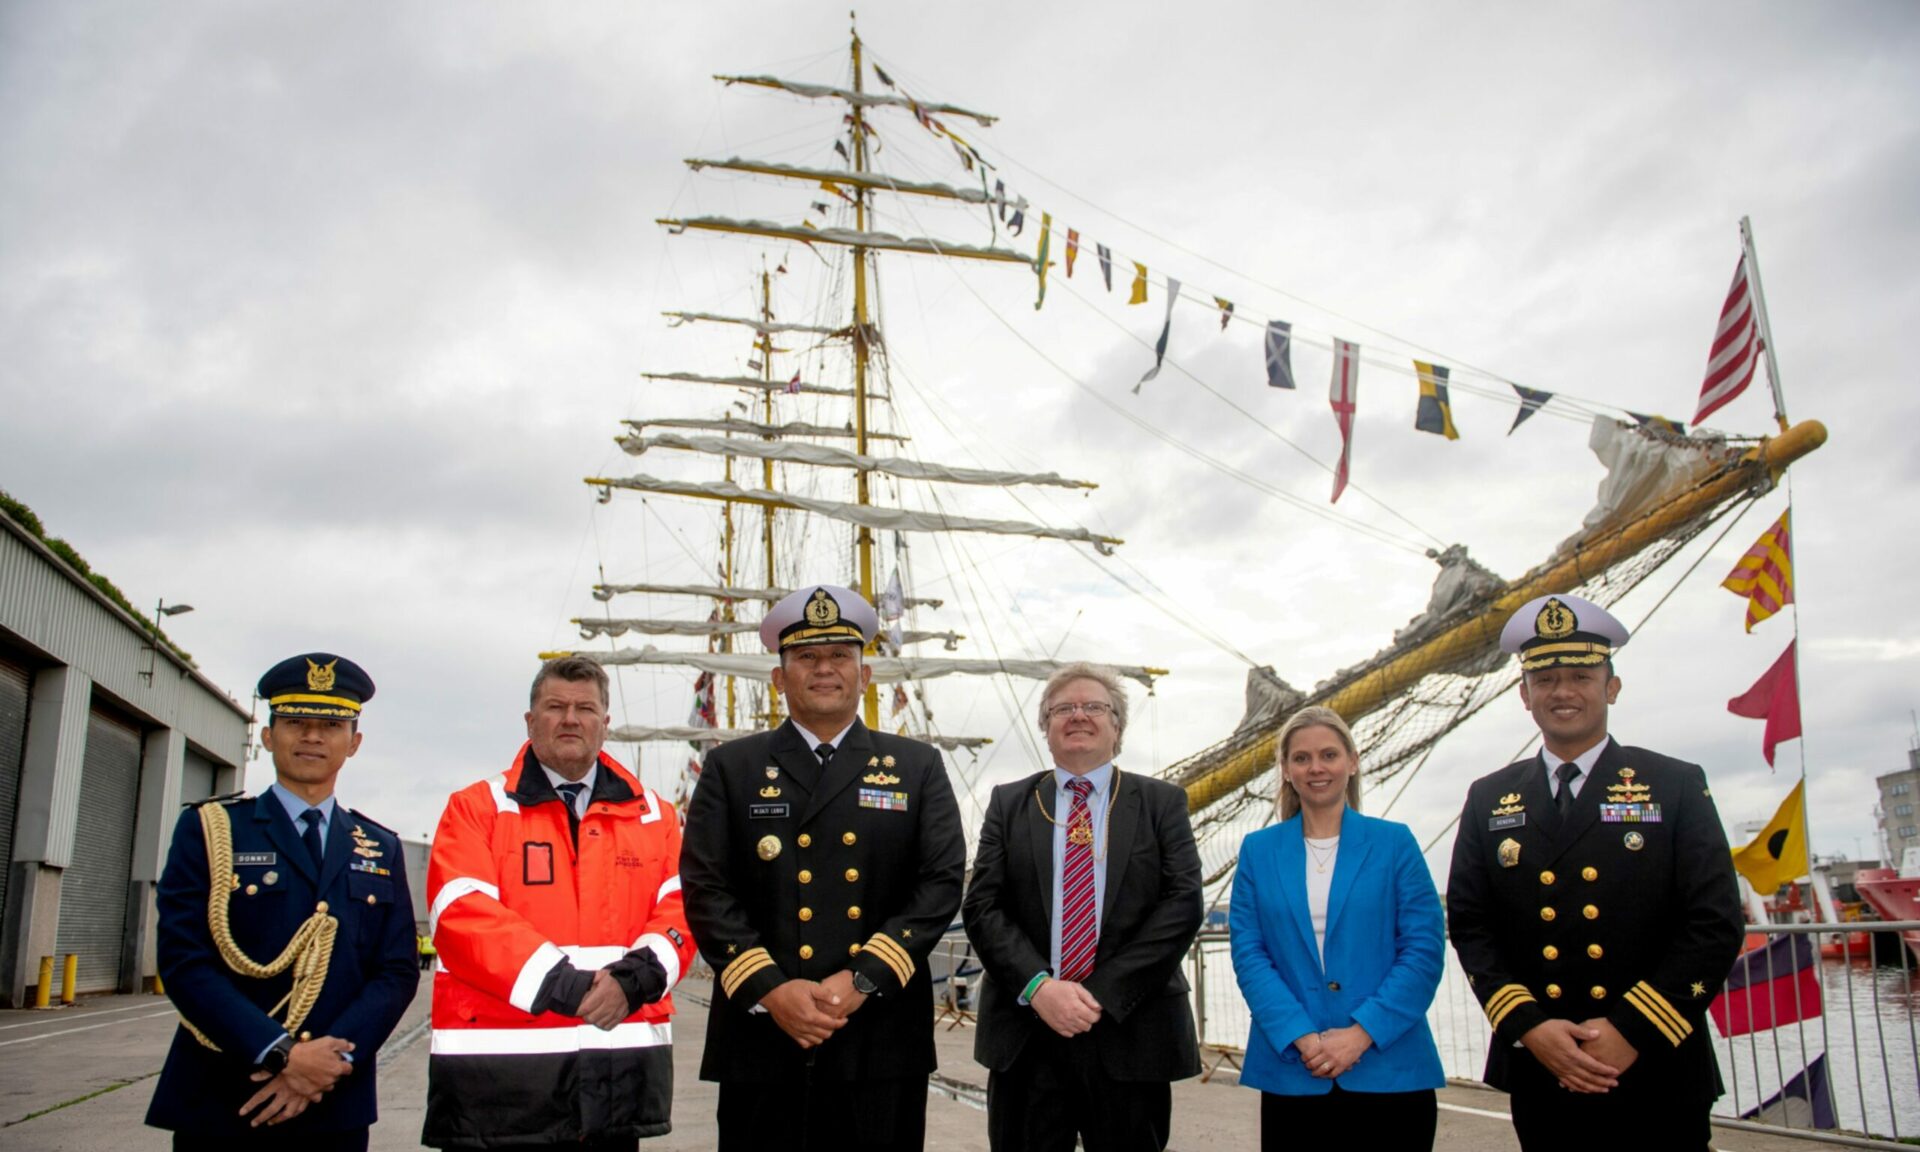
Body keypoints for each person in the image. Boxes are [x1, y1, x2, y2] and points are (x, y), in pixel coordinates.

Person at [1446, 593, 1744, 1152]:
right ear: (1524, 695)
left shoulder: (1673, 784)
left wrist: (1632, 1030)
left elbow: (1714, 922)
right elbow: (1471, 925)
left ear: (1612, 687)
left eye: (1582, 675)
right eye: (1547, 679)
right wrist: (1529, 1027)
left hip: (1655, 1064)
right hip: (1542, 1066)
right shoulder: (1490, 797)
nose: (1563, 691)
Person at [679, 583, 966, 1152]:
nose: (824, 669)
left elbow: (939, 883)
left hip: (878, 1034)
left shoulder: (916, 767)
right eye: (806, 657)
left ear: (866, 677)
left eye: (841, 657)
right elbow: (707, 890)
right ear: (779, 678)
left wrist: (862, 979)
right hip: (763, 1033)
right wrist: (772, 989)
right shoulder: (732, 768)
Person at [422, 656, 697, 1151]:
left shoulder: (655, 817)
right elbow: (461, 915)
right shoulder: (477, 808)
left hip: (618, 1086)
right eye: (555, 707)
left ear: (605, 725)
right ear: (531, 722)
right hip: (497, 1095)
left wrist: (632, 983)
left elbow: (683, 911)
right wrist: (574, 988)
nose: (571, 719)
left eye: (585, 708)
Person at [146, 653, 419, 1151]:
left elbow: (396, 971)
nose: (312, 736)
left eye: (331, 725)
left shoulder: (379, 846)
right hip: (227, 1095)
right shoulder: (212, 829)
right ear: (268, 736)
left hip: (334, 1102)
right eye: (295, 722)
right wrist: (282, 1055)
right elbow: (184, 962)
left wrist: (325, 1066)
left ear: (353, 743)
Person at [963, 662, 1204, 1152]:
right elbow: (984, 905)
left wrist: (1097, 995)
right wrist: (1040, 987)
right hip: (1026, 1034)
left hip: (1130, 1031)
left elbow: (1181, 904)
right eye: (1062, 709)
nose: (1078, 716)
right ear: (1046, 729)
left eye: (1094, 706)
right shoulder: (1009, 803)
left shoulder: (1161, 803)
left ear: (1117, 727)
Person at [1228, 705, 1445, 1150]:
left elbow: (1423, 949)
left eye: (1328, 755)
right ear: (1286, 770)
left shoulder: (1395, 843)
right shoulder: (1258, 851)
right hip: (1294, 1070)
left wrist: (1361, 1033)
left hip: (1391, 1069)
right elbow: (1249, 953)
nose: (1316, 768)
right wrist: (1302, 1037)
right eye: (1302, 758)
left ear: (1352, 760)